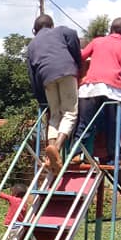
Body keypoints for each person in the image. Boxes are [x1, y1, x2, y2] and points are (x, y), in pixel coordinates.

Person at [74, 17, 121, 164]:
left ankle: (76, 153)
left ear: (111, 30)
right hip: (113, 90)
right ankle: (114, 156)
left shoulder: (97, 41)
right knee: (113, 125)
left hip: (90, 87)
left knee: (85, 123)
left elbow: (81, 57)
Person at [27, 14, 83, 172]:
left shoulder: (31, 45)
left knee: (55, 115)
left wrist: (40, 97)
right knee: (70, 112)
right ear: (51, 25)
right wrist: (77, 62)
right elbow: (73, 36)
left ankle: (49, 153)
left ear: (35, 30)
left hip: (46, 78)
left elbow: (31, 74)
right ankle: (57, 149)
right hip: (66, 71)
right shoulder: (61, 31)